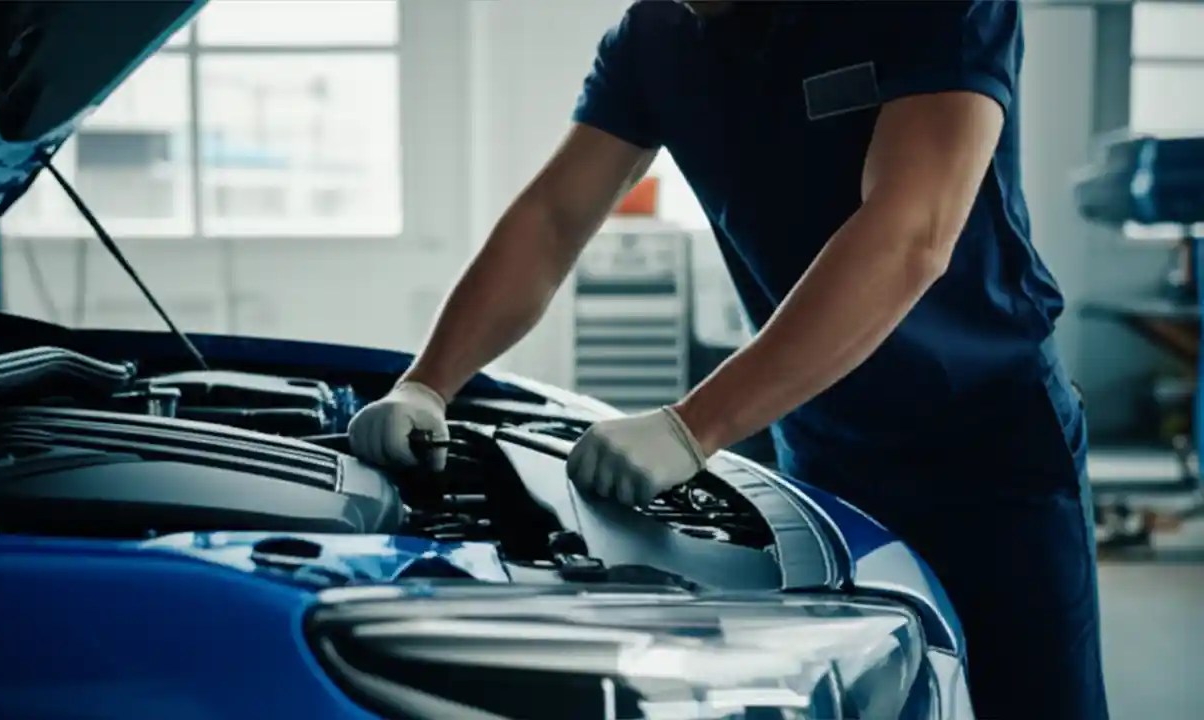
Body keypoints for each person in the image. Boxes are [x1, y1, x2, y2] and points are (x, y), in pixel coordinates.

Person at [347, 1, 1108, 716]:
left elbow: (912, 232)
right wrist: (428, 383)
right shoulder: (655, 38)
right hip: (823, 447)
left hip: (990, 449)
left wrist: (692, 427)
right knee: (863, 700)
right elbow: (553, 220)